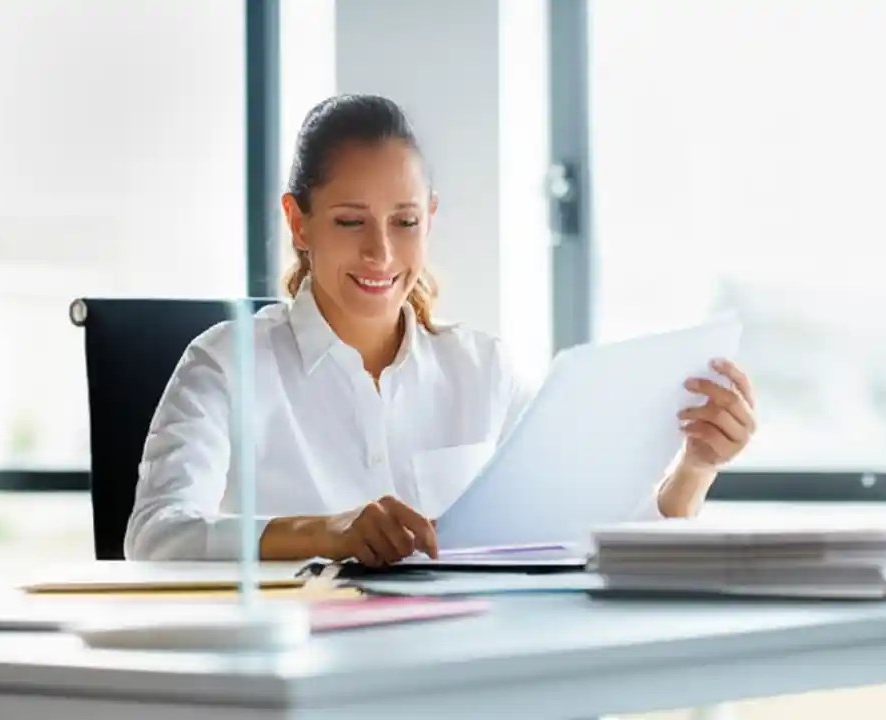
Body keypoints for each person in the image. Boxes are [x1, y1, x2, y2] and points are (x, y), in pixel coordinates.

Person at [124, 94, 757, 565]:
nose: (381, 252)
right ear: (299, 223)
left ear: (429, 217)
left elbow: (598, 536)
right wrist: (325, 532)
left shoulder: (482, 370)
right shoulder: (227, 363)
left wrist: (695, 467)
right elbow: (156, 535)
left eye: (403, 222)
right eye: (350, 222)